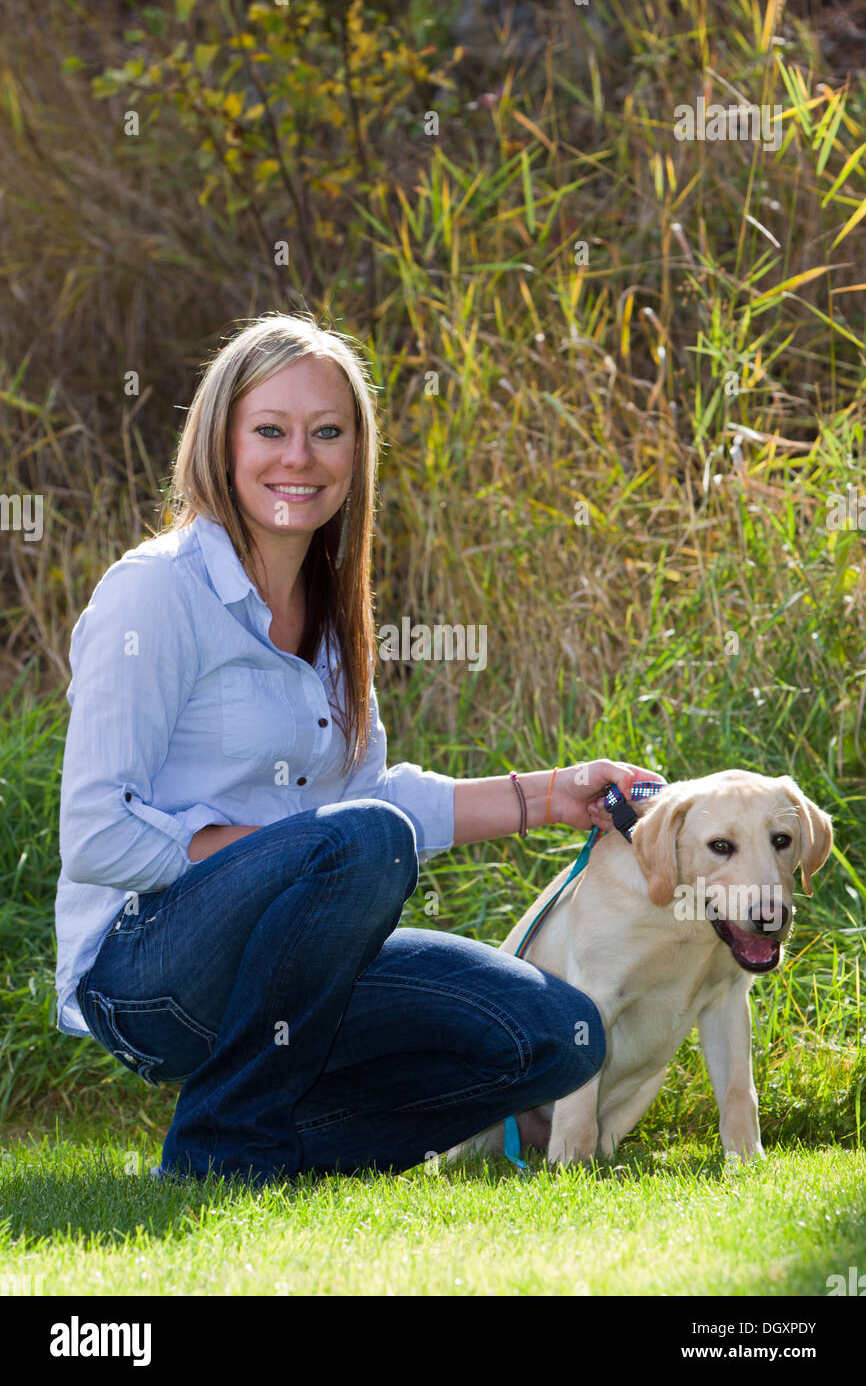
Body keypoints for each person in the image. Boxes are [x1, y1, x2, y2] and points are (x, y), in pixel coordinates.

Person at [54, 311, 665, 1186]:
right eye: (270, 430)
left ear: (355, 454)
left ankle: (265, 1144)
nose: (298, 457)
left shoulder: (334, 615)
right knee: (362, 842)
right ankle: (221, 1146)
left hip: (296, 966)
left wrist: (554, 793)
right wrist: (282, 862)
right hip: (145, 970)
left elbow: (372, 798)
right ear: (220, 442)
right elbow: (95, 835)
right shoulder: (155, 593)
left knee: (557, 1036)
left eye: (327, 432)